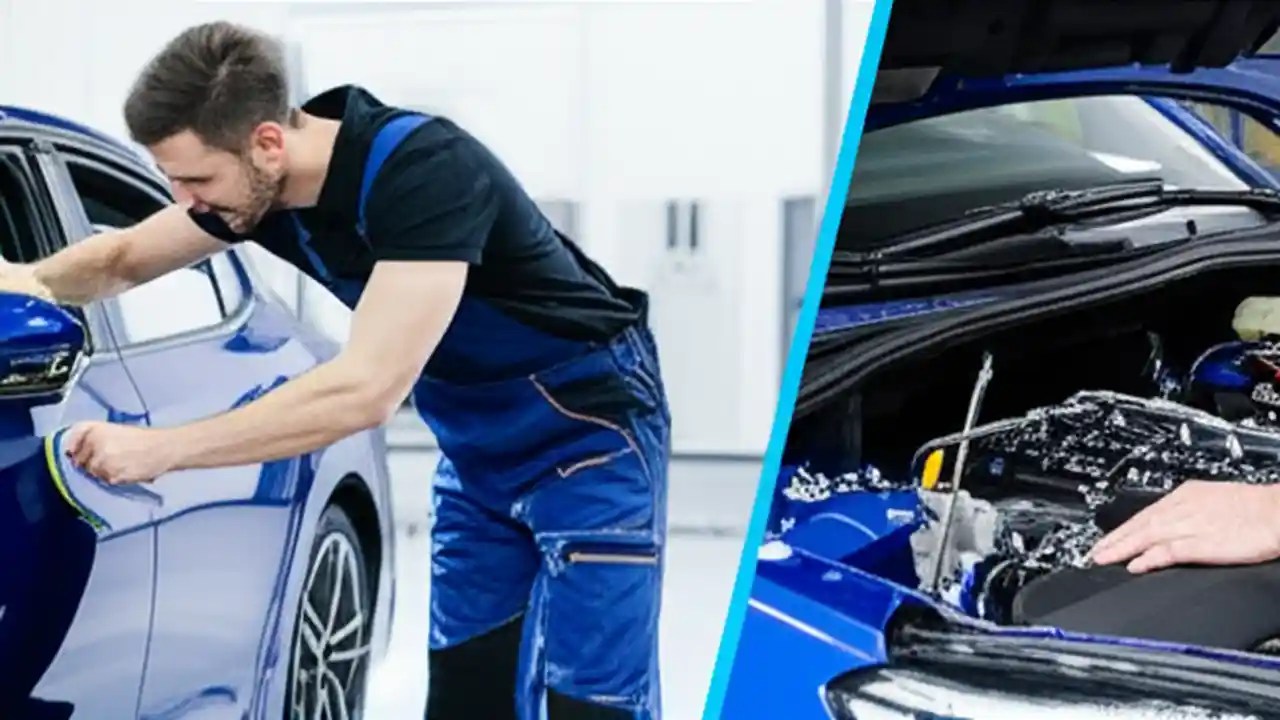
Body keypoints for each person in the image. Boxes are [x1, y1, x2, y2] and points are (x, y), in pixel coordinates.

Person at [2, 21, 670, 720]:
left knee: (591, 703)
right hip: (478, 453)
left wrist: (161, 448)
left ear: (267, 143)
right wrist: (19, 280)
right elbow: (118, 259)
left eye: (195, 179)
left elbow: (367, 389)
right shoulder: (251, 191)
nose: (186, 201)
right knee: (468, 692)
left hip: (590, 437)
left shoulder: (425, 171)